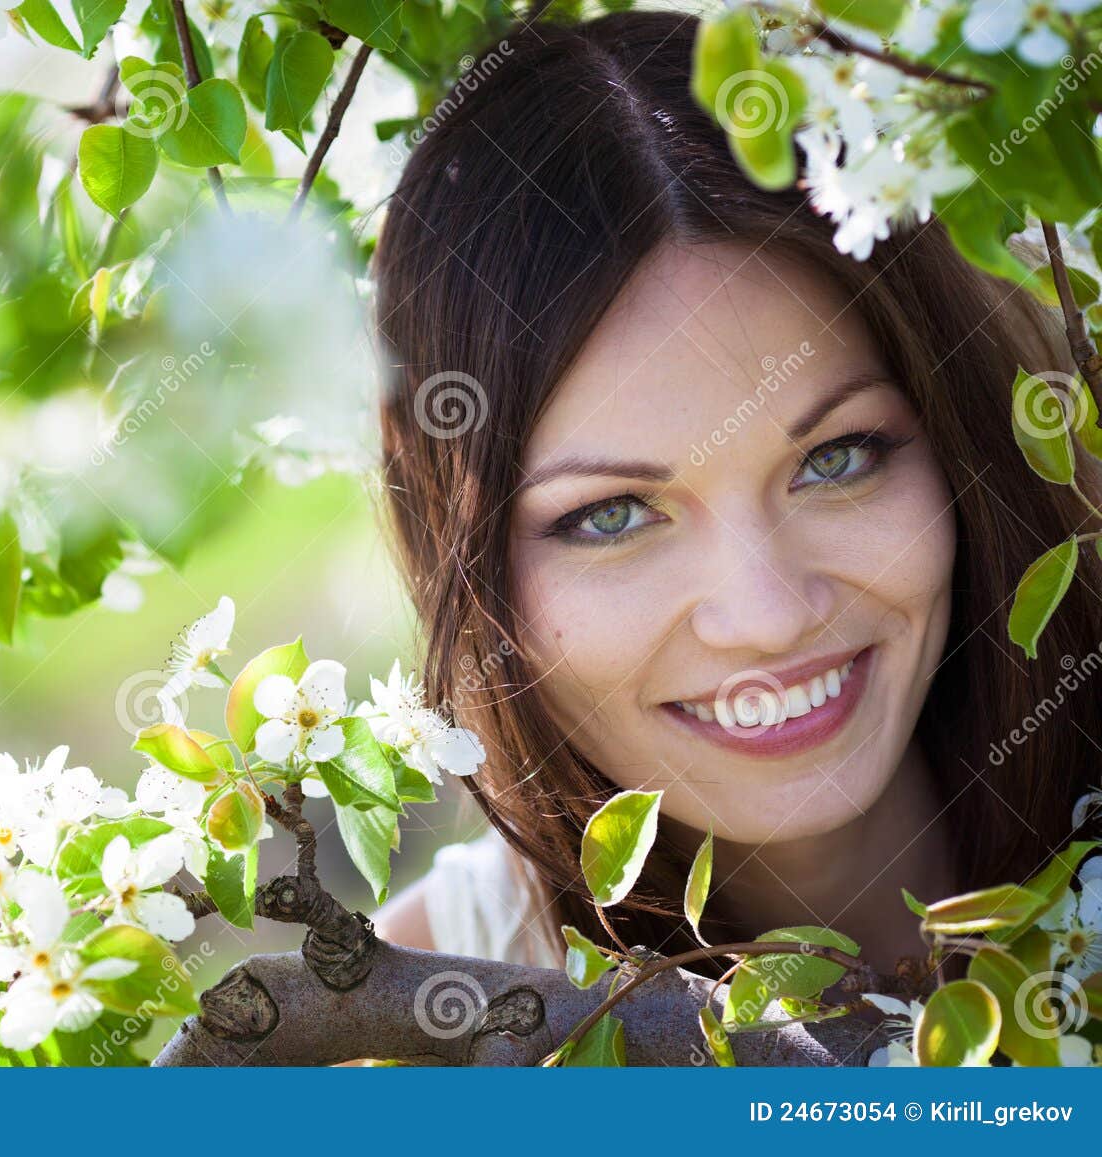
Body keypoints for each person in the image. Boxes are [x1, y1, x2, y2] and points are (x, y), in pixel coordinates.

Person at [370, 9, 1102, 980]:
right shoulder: (415, 1011)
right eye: (611, 515)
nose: (764, 617)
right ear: (463, 559)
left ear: (954, 438)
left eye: (837, 457)